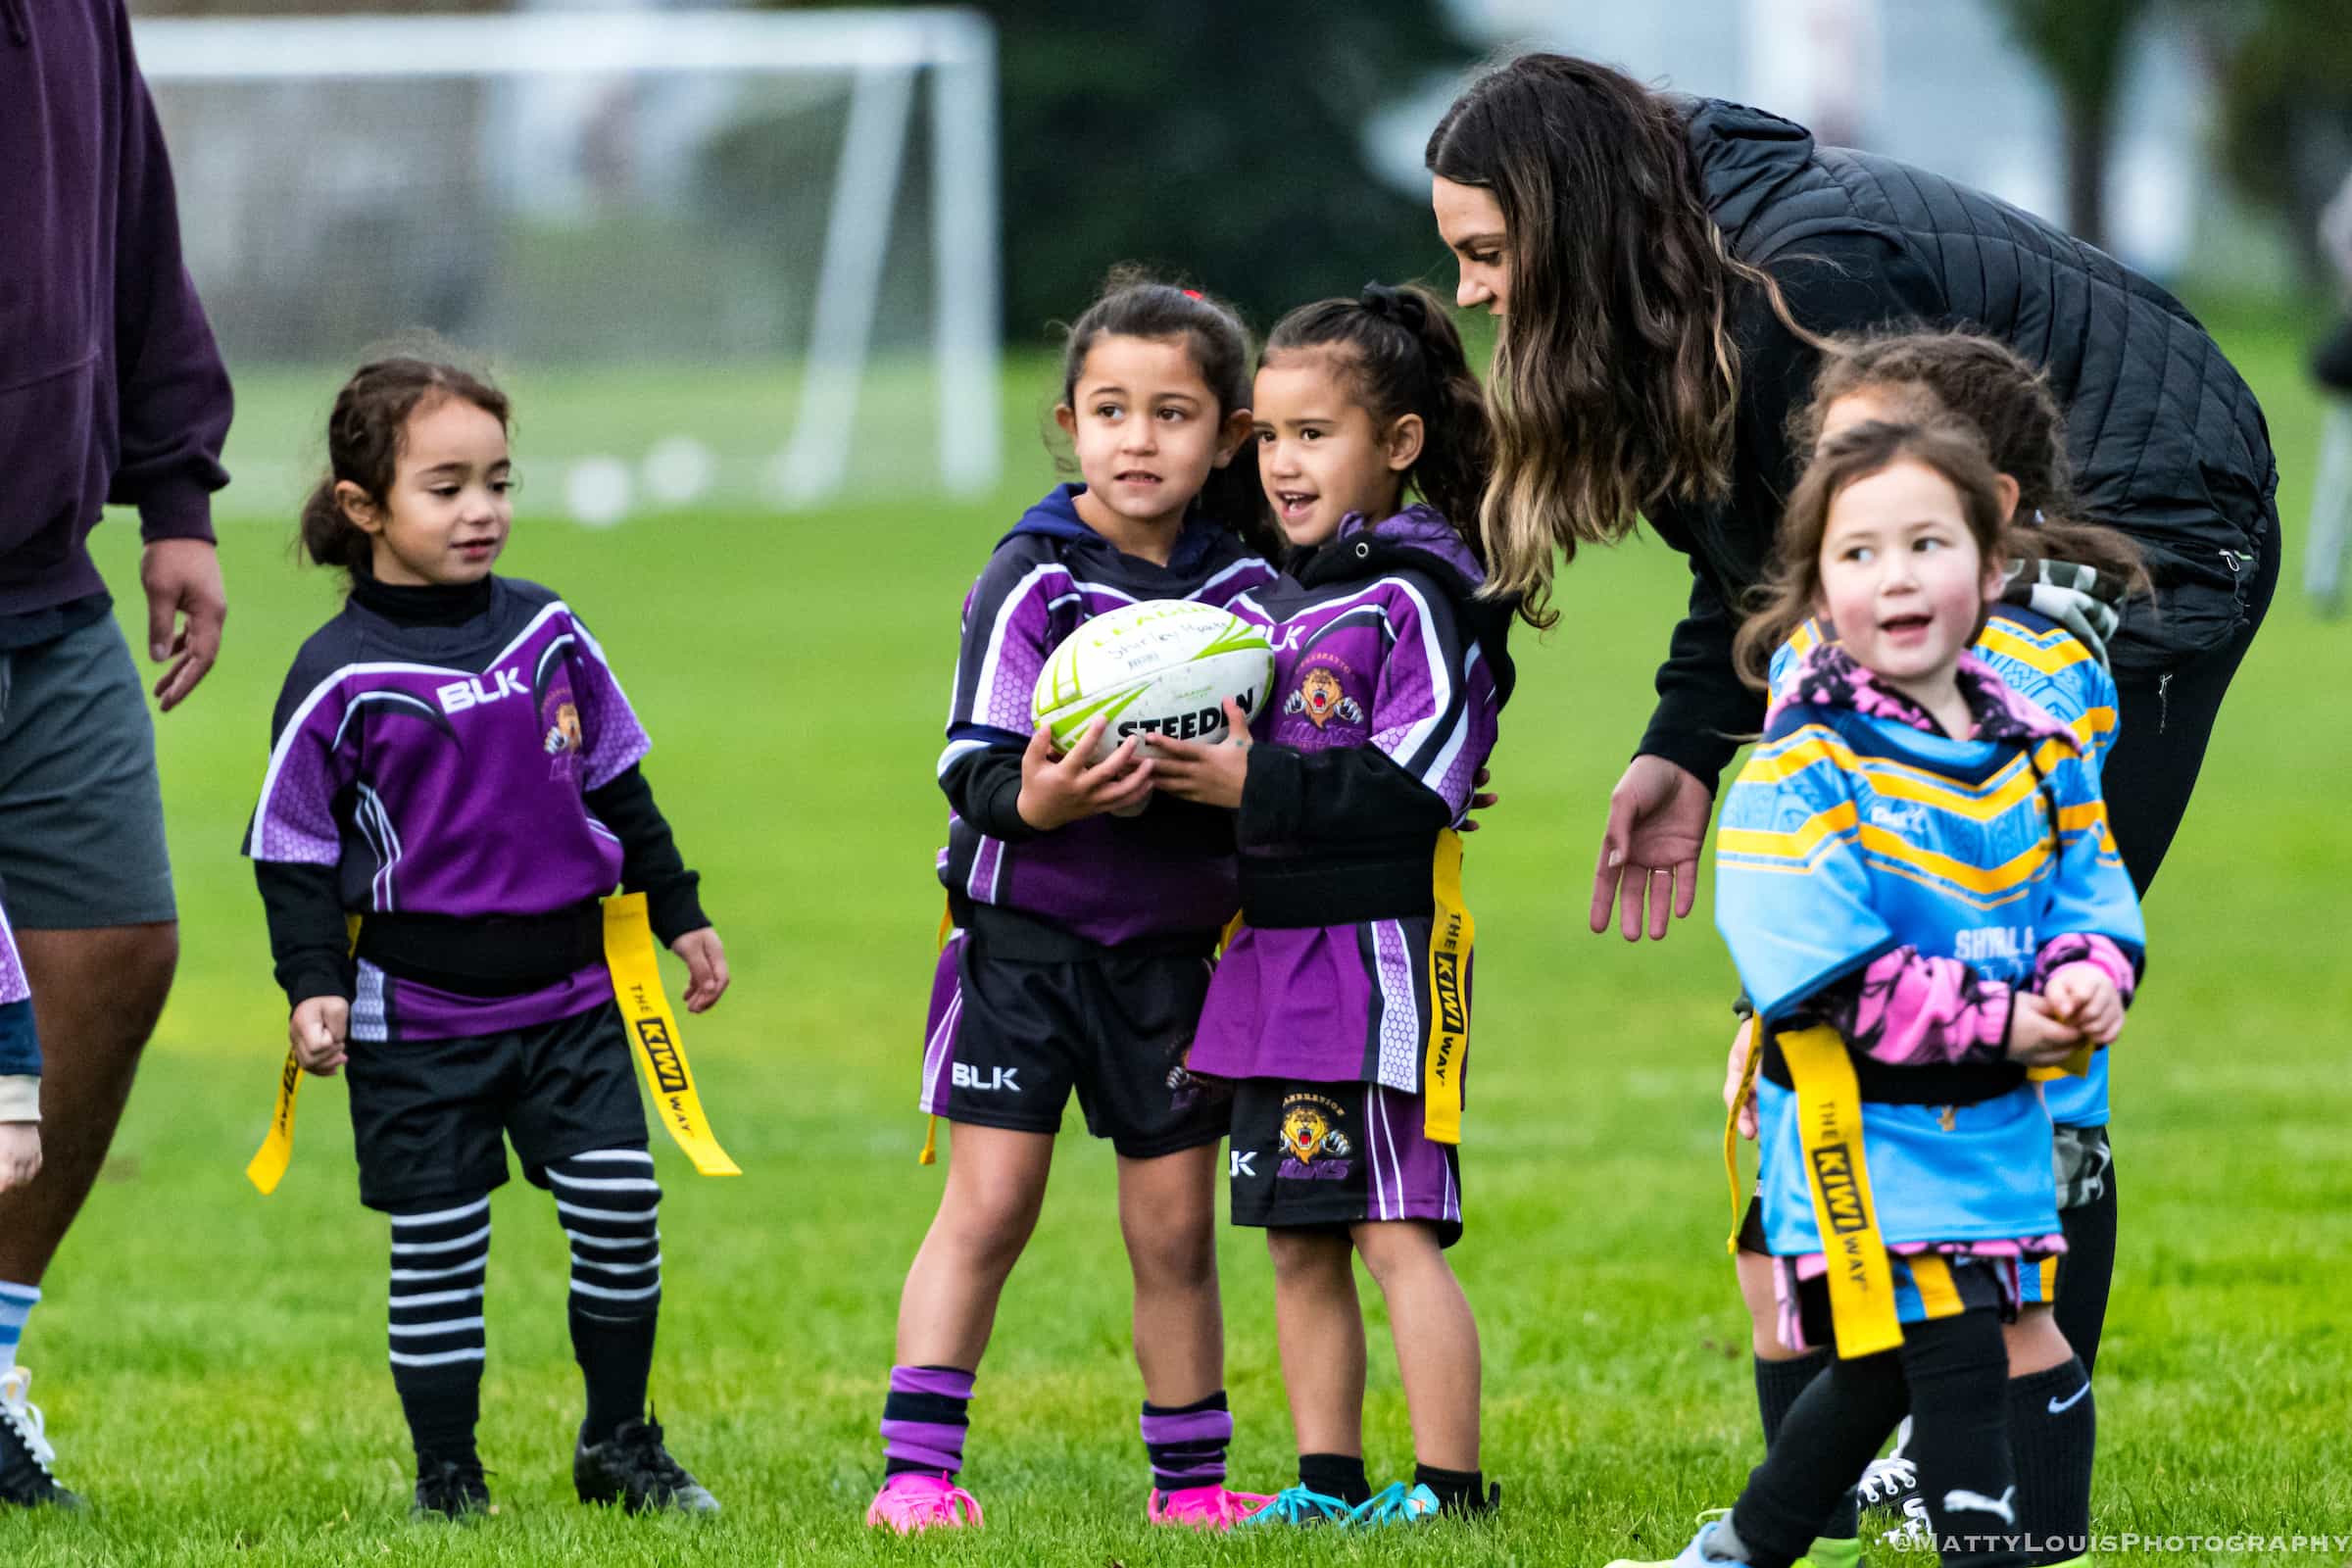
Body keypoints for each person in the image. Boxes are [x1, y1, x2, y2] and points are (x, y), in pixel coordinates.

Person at [1421, 52, 2277, 942]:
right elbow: (1782, 540)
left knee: (1994, 937)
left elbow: (1875, 540)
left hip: (2148, 519)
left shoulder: (1804, 288)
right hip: (2001, 536)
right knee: (1902, 944)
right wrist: (1687, 744)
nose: (1471, 291)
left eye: (1489, 254)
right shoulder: (1679, 282)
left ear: (1576, 227)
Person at [1614, 417, 2144, 1568]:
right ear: (1813, 586)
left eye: (1926, 544)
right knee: (1947, 1343)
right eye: (1858, 554)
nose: (1895, 576)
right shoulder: (1801, 770)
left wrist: (2089, 980)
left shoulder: (2038, 748)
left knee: (1895, 1359)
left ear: (1993, 566)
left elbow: (2091, 892)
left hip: (1995, 1127)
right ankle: (2000, 1551)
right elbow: (1820, 964)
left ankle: (1742, 1550)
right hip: (1863, 1122)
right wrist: (1998, 1018)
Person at [244, 357, 728, 1521]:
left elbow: (618, 784)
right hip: (415, 1016)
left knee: (622, 1208)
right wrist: (312, 984)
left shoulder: (548, 627)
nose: (482, 511)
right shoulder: (338, 678)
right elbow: (292, 850)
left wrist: (682, 912)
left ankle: (620, 1442)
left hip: (573, 997)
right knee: (439, 1253)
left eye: (498, 483)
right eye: (446, 486)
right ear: (365, 509)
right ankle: (448, 1480)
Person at [868, 274, 1278, 1535]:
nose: (1139, 439)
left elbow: (1284, 758)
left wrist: (1242, 781)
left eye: (1172, 413)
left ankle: (1192, 1490)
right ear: (1069, 424)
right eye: (1111, 410)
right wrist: (1040, 802)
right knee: (989, 1207)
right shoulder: (1034, 575)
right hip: (1024, 944)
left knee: (1173, 1230)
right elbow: (969, 760)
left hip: (1171, 955)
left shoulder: (1252, 591)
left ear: (1229, 435)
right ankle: (917, 1478)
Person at [1156, 282, 1518, 1527]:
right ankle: (1324, 1485)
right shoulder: (1261, 600)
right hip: (1269, 953)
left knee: (1388, 1224)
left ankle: (1451, 1492)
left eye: (1316, 435)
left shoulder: (1420, 596)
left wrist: (1252, 777)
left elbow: (1419, 778)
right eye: (1268, 436)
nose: (1284, 462)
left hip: (1374, 951)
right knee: (1296, 1230)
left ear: (1399, 445)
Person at [0, 0, 234, 1506]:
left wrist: (176, 499)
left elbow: (132, 229)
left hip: (46, 577)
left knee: (117, 946)